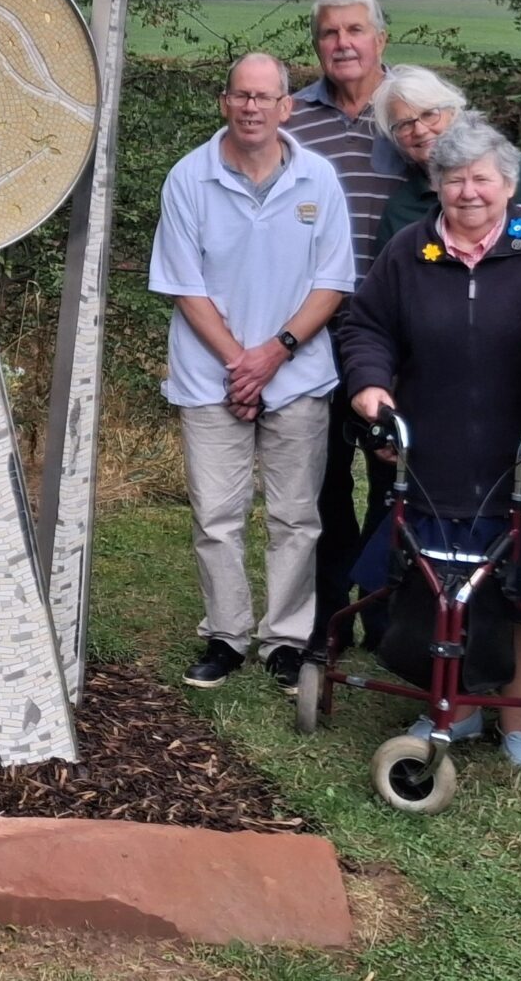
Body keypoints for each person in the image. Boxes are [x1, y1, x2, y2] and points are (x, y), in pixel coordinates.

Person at [338, 114, 521, 766]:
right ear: (436, 183)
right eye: (454, 178)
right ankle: (458, 706)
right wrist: (370, 388)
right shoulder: (411, 250)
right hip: (432, 452)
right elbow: (366, 328)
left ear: (508, 182)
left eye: (482, 178)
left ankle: (517, 715)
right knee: (440, 581)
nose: (469, 191)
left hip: (520, 453)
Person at [150, 52, 356, 692]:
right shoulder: (190, 178)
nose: (252, 107)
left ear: (286, 107)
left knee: (297, 516)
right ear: (224, 102)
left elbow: (333, 282)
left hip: (296, 374)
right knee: (217, 514)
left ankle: (287, 641)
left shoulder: (318, 179)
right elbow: (185, 285)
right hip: (209, 375)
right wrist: (242, 364)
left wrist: (275, 354)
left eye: (266, 97)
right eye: (241, 95)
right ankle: (227, 636)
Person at [292, 0, 406, 650]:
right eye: (330, 33)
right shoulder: (292, 117)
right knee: (324, 482)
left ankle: (387, 609)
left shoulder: (413, 111)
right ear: (318, 44)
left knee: (395, 479)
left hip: (400, 329)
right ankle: (327, 616)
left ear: (380, 38)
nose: (343, 43)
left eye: (355, 30)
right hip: (315, 328)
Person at [370, 65, 521, 251]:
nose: (420, 130)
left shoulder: (511, 169)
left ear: (453, 113)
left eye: (429, 114)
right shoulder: (401, 210)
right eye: (404, 124)